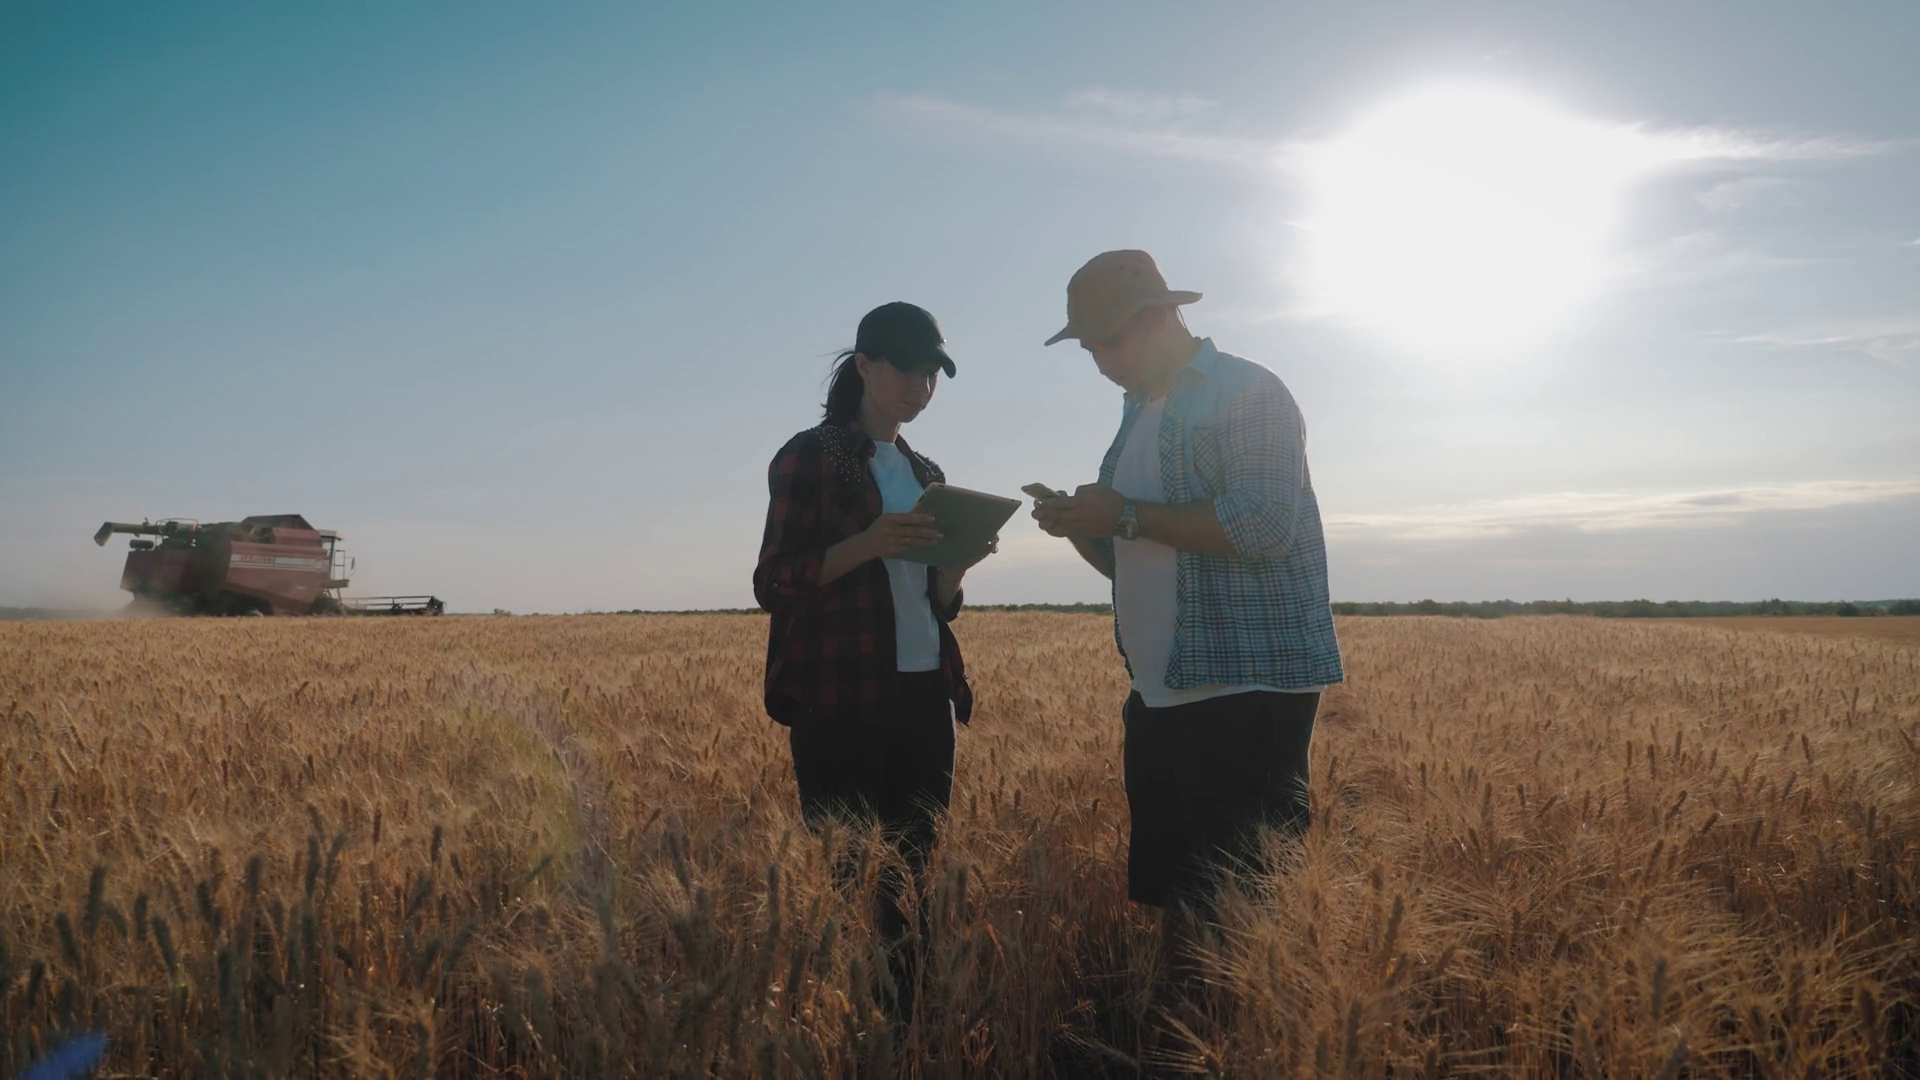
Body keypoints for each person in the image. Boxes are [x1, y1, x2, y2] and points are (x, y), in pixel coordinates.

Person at [1031, 250, 1344, 984]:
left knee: (1244, 910)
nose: (1099, 360)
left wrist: (1128, 515)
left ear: (1159, 317)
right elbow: (1129, 560)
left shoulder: (1246, 390)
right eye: (1087, 347)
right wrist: (1083, 524)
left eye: (1106, 341)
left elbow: (1265, 525)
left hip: (1243, 690)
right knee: (1181, 902)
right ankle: (1189, 1035)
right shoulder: (1138, 410)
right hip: (1162, 690)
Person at [752, 300, 996, 1015]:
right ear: (863, 364)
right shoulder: (810, 455)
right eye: (908, 370)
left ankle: (907, 1023)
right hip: (840, 699)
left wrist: (957, 568)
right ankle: (849, 1019)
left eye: (932, 374)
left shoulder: (928, 472)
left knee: (915, 875)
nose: (921, 387)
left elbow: (937, 604)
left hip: (926, 698)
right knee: (850, 878)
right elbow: (774, 581)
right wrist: (872, 543)